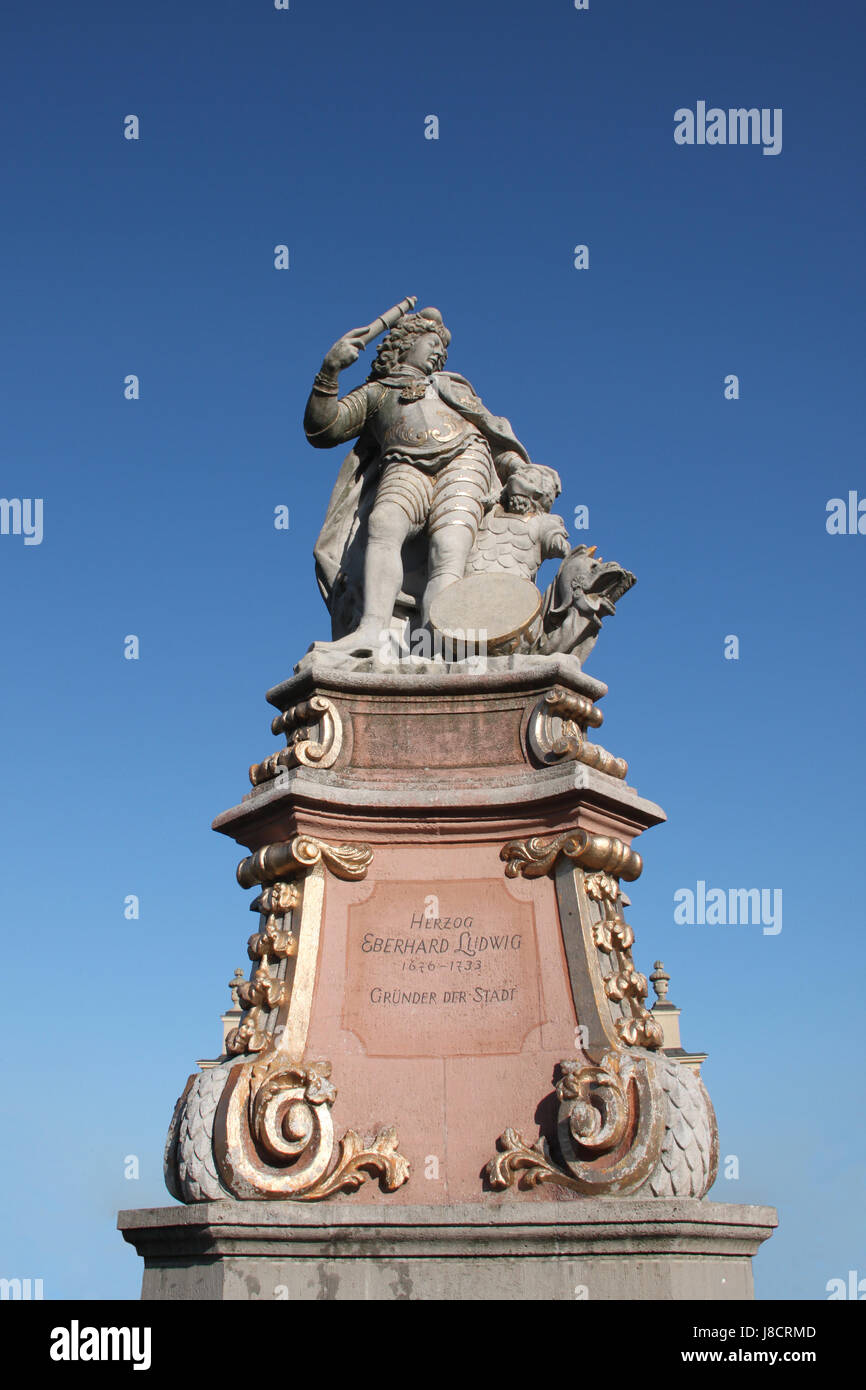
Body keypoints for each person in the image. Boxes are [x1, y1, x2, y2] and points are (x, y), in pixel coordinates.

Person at [306, 307, 535, 654]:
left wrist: (516, 467)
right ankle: (372, 630)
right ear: (405, 342)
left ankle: (437, 642)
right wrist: (330, 370)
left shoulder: (450, 386)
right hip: (403, 460)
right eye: (432, 342)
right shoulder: (377, 392)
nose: (439, 352)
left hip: (465, 457)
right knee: (383, 524)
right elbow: (324, 429)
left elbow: (489, 428)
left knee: (449, 548)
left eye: (442, 348)